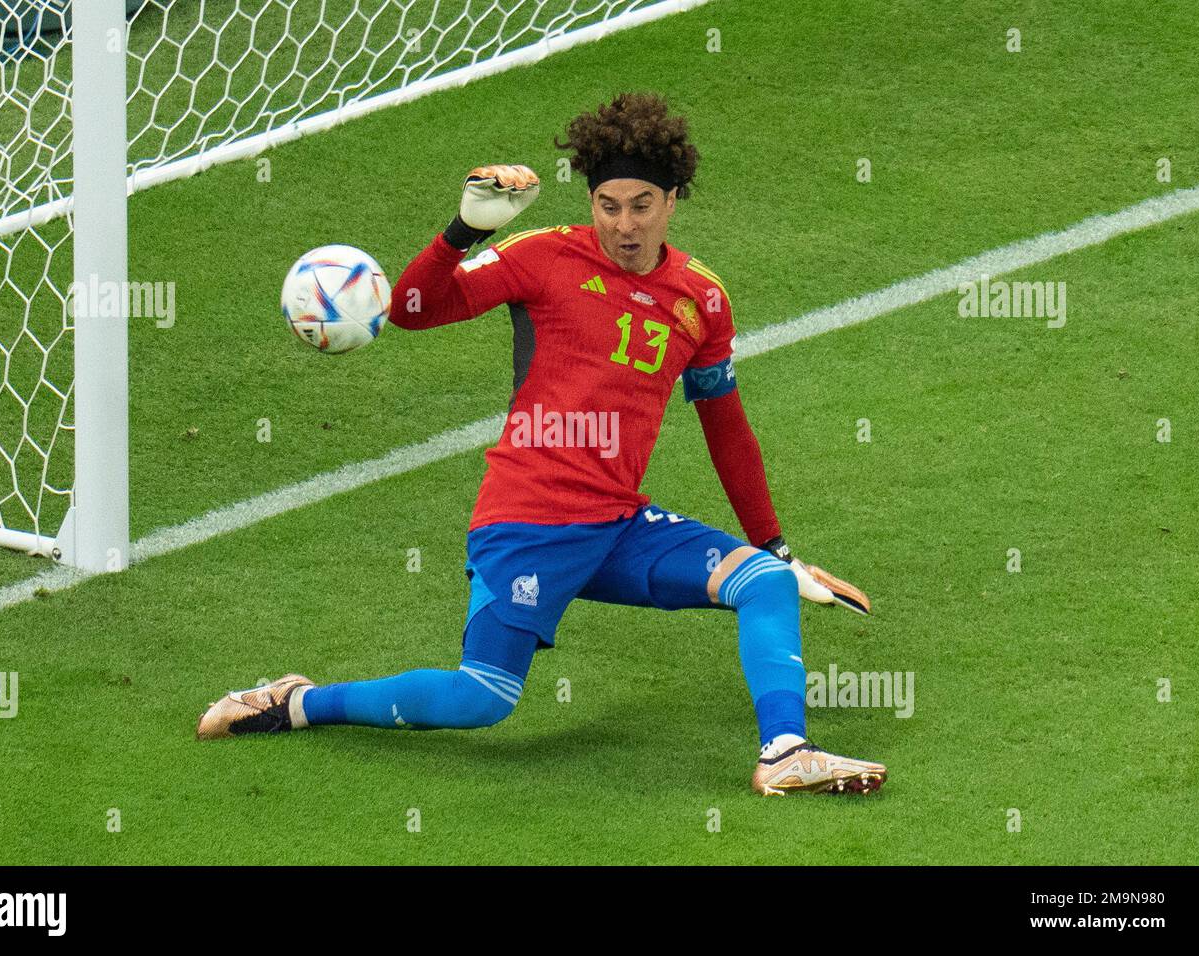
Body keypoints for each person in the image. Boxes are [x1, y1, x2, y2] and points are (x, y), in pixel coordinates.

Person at [197, 93, 885, 796]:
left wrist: (775, 547)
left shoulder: (700, 299)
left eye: (642, 204)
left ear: (674, 199)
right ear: (590, 198)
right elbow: (410, 310)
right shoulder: (542, 256)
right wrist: (463, 230)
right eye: (608, 204)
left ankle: (785, 754)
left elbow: (726, 425)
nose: (624, 224)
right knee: (483, 698)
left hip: (617, 523)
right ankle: (296, 703)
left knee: (763, 583)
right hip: (528, 519)